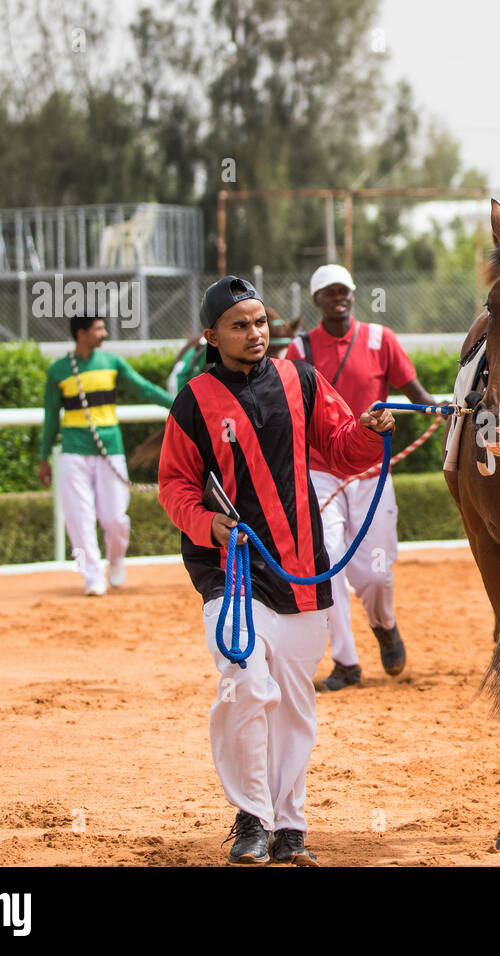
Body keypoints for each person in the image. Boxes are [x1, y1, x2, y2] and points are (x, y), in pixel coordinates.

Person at [158, 274, 394, 865]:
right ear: (212, 336)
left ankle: (289, 827)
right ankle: (249, 818)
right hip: (229, 570)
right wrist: (203, 524)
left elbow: (340, 447)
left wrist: (367, 433)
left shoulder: (301, 380)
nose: (255, 333)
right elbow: (174, 484)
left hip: (302, 570)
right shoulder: (194, 400)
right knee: (243, 686)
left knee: (293, 705)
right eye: (240, 325)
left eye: (261, 322)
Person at [284, 264, 438, 691]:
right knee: (327, 561)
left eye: (345, 290)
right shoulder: (299, 351)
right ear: (317, 300)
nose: (340, 297)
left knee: (375, 574)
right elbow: (289, 412)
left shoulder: (380, 339)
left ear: (353, 294)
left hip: (372, 472)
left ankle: (384, 624)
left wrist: (445, 411)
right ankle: (346, 663)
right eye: (330, 292)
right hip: (321, 472)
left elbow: (417, 395)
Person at [37, 315, 174, 595]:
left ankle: (116, 558)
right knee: (79, 517)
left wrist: (181, 404)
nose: (104, 333)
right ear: (82, 333)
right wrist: (43, 458)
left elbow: (144, 389)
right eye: (99, 328)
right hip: (73, 452)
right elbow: (51, 416)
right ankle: (92, 576)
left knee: (115, 517)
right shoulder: (58, 371)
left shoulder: (112, 363)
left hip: (110, 449)